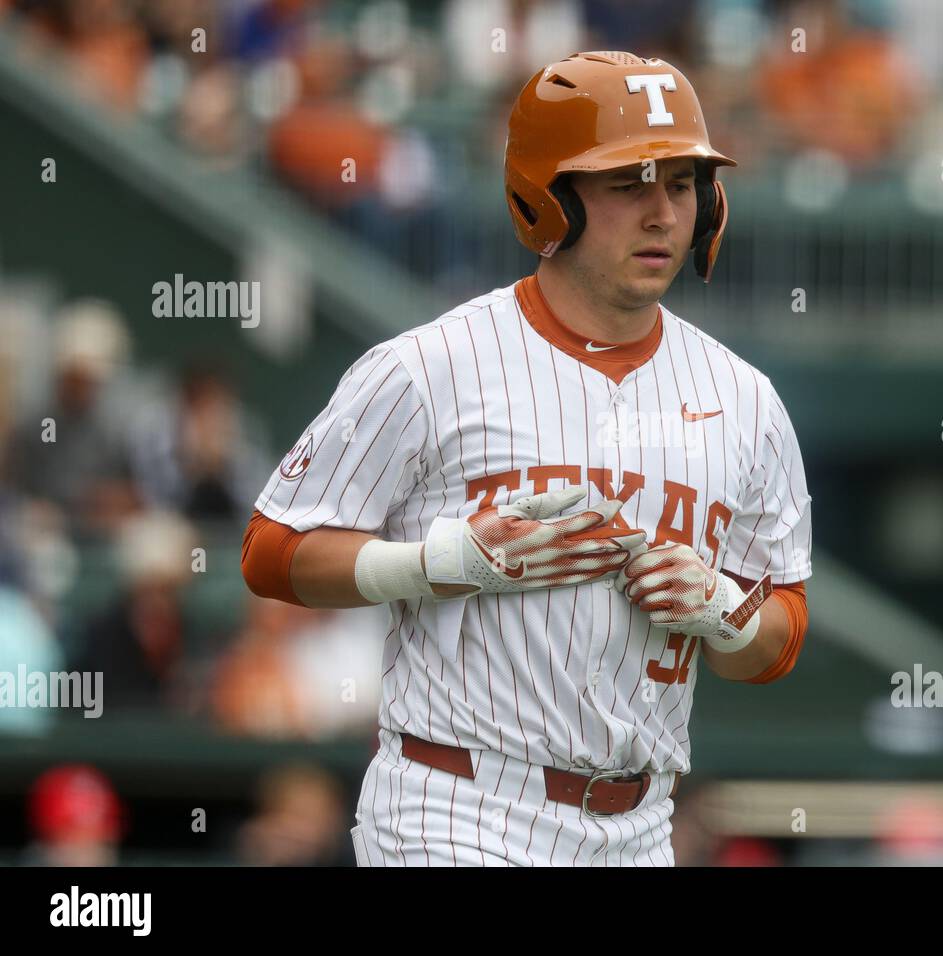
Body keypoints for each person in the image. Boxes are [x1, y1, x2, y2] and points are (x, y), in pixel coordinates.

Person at [242, 51, 812, 866]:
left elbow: (780, 640)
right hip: (459, 804)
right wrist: (441, 563)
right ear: (551, 200)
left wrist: (724, 606)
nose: (662, 214)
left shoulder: (747, 400)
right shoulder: (430, 365)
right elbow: (269, 552)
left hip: (642, 822)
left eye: (682, 184)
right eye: (628, 184)